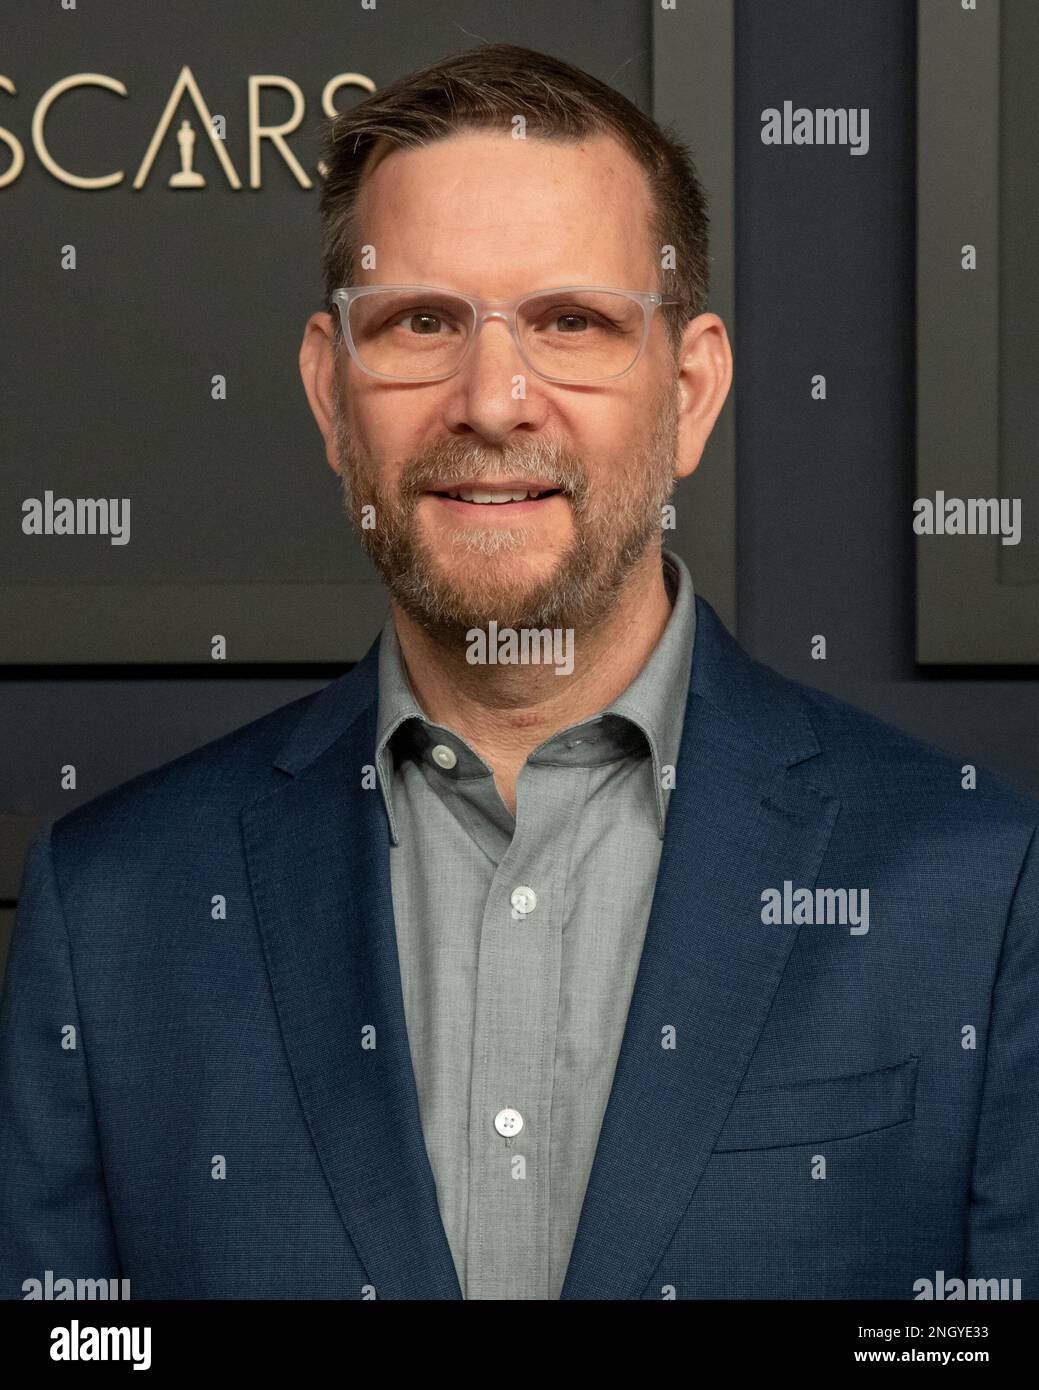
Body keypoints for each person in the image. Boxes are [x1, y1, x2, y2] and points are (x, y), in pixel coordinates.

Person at [1, 43, 1037, 1302]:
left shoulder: (979, 888)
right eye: (420, 322)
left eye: (572, 322)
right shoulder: (111, 909)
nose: (493, 401)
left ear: (691, 391)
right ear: (333, 394)